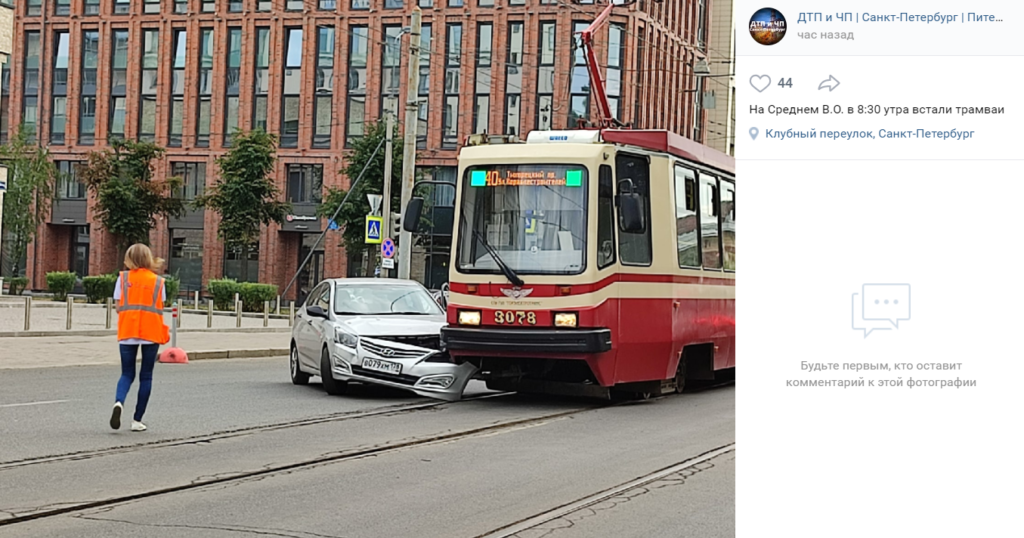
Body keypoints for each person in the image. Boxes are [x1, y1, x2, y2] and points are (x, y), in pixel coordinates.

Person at [110, 244, 170, 432]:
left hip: (128, 331)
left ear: (129, 259)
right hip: (150, 333)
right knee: (146, 376)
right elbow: (161, 304)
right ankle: (137, 420)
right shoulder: (158, 281)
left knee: (127, 374)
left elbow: (119, 307)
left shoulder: (123, 278)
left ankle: (119, 402)